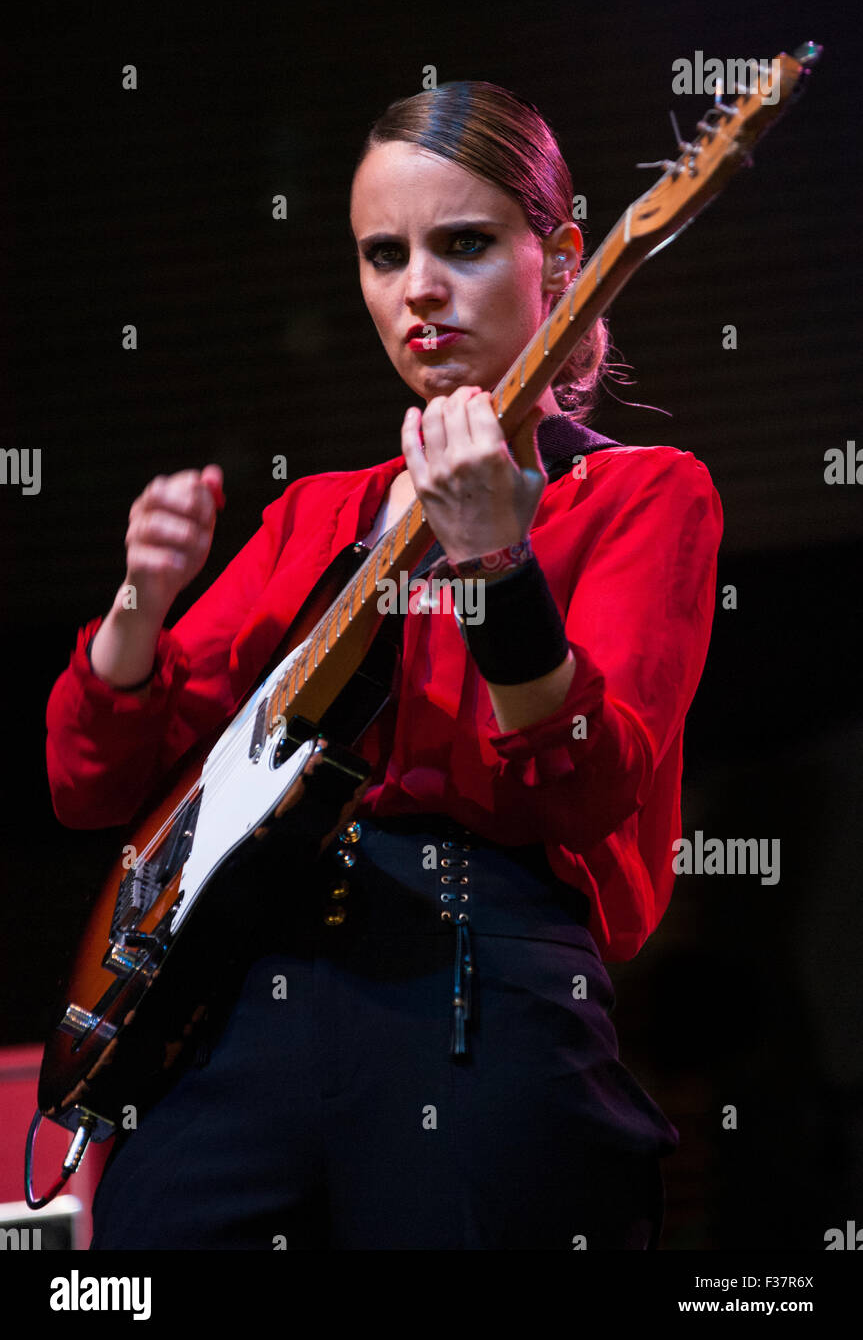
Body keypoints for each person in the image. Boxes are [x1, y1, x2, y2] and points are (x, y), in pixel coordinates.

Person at [45, 81, 723, 1250]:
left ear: (560, 260)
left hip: (477, 990)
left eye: (461, 244)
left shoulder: (640, 492)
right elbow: (95, 788)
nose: (416, 289)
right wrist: (137, 605)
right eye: (381, 253)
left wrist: (493, 567)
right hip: (238, 1008)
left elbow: (582, 785)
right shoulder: (314, 514)